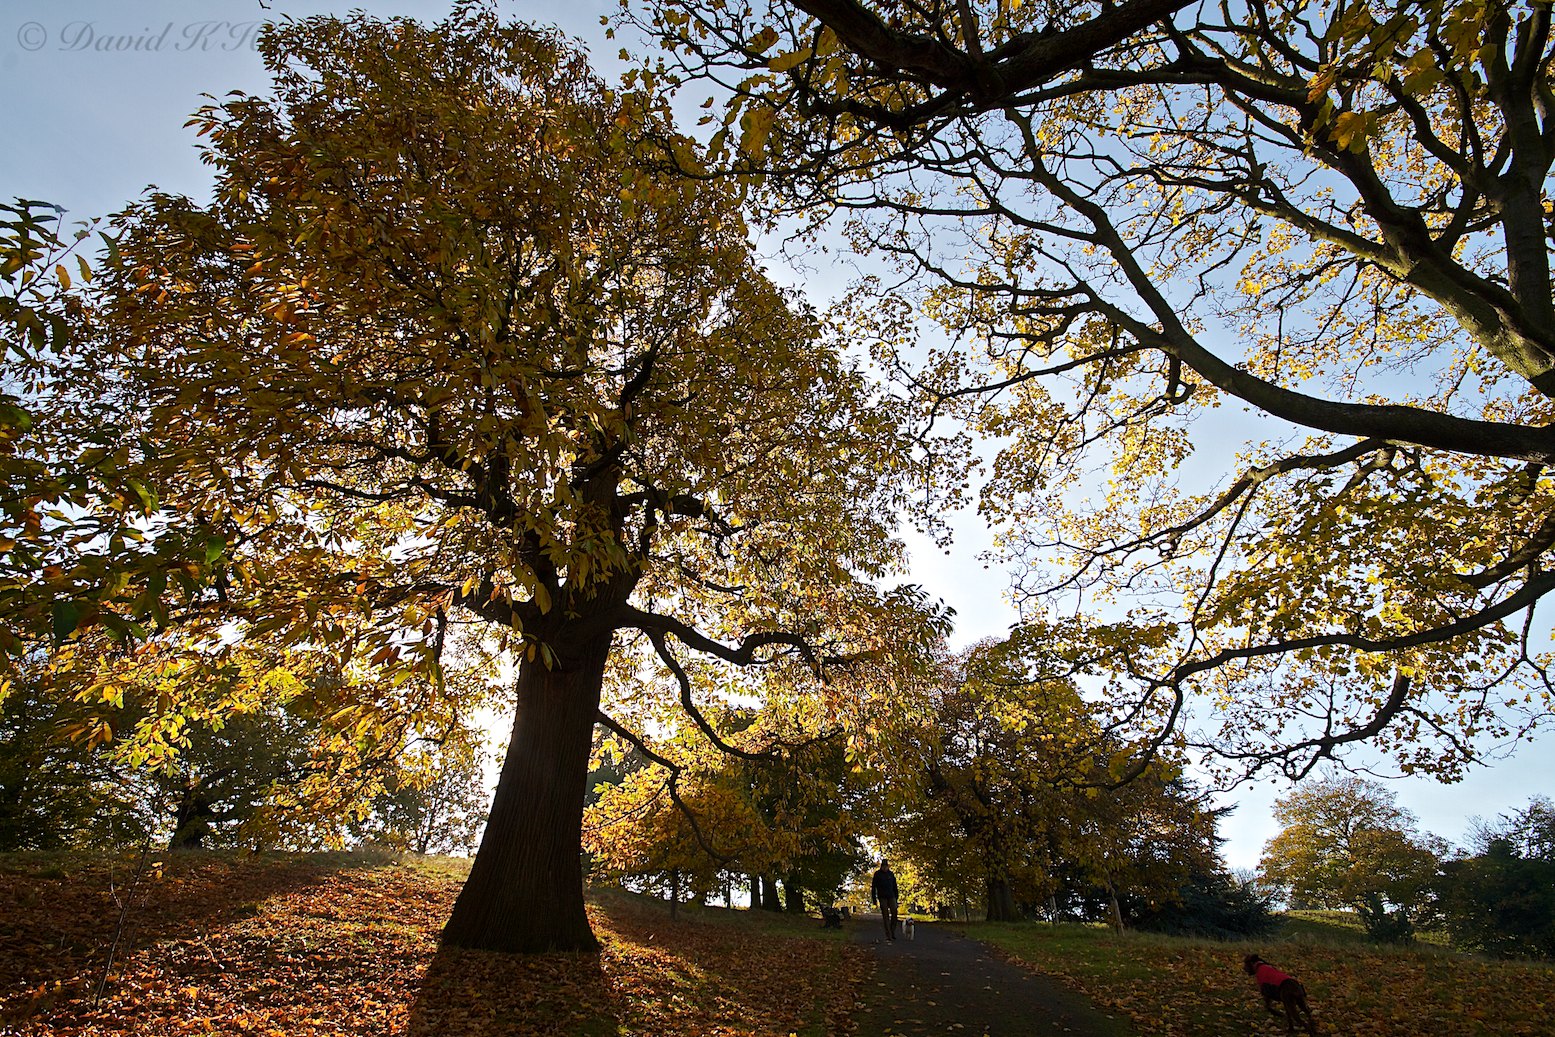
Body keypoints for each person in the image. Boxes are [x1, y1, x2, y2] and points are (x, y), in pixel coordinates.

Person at [869, 859, 899, 941]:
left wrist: (896, 897)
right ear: (881, 866)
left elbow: (895, 886)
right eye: (884, 867)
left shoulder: (891, 874)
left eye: (886, 866)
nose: (885, 868)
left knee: (894, 912)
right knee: (885, 915)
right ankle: (888, 935)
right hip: (882, 897)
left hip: (891, 896)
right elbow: (874, 887)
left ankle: (892, 931)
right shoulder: (877, 874)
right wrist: (874, 900)